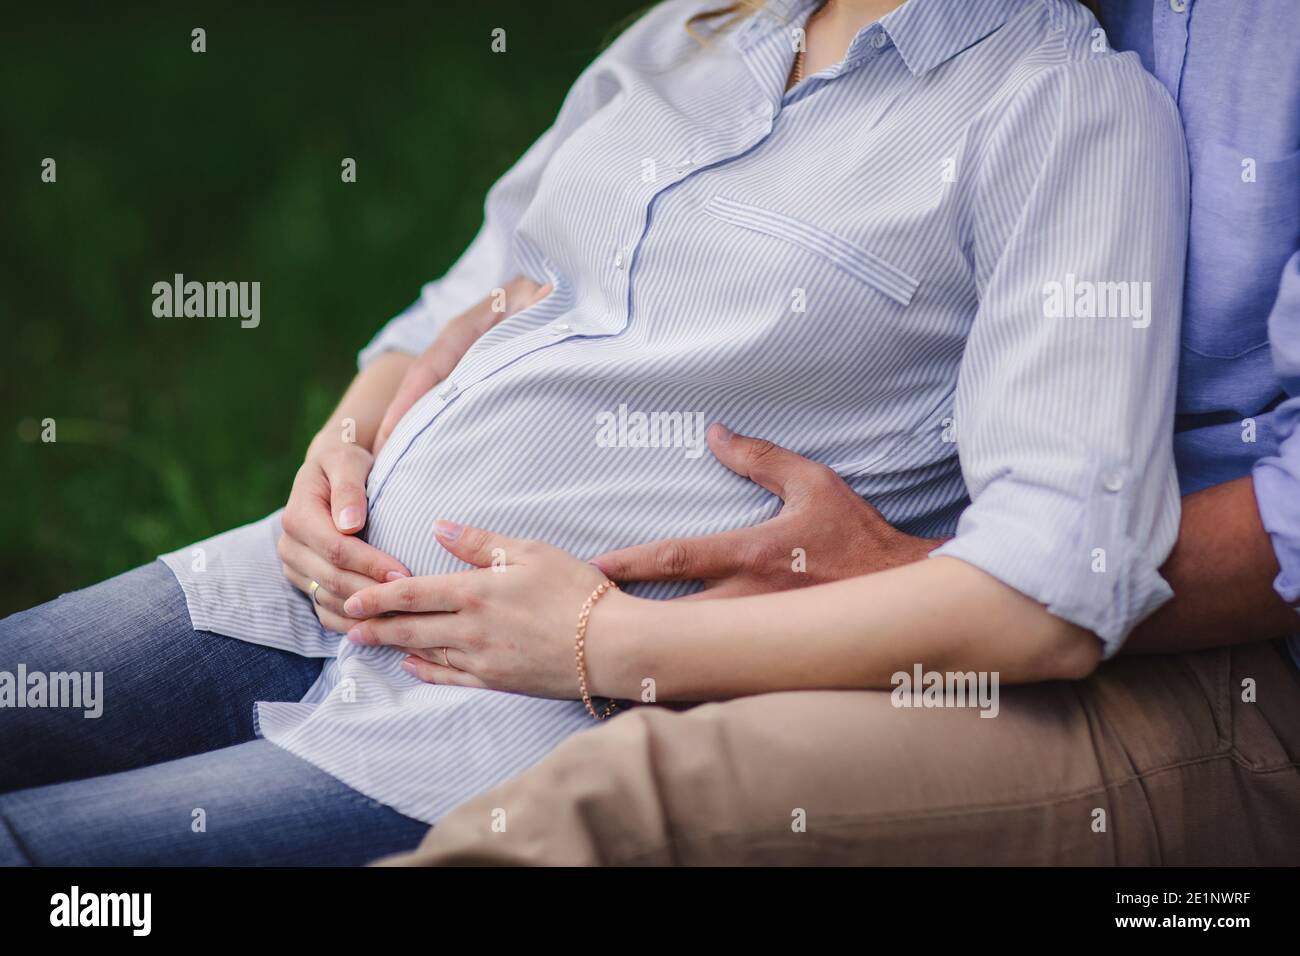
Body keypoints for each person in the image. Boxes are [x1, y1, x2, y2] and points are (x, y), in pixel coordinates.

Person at [2, 0, 1191, 864]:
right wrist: (344, 448)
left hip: (512, 723)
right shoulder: (689, 32)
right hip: (288, 585)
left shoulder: (1065, 109)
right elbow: (458, 295)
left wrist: (597, 643)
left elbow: (1053, 586)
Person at [383, 0, 1300, 866]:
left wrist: (930, 578)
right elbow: (487, 277)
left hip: (1224, 665)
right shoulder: (743, 33)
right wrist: (355, 445)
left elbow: (1057, 577)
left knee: (623, 800)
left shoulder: (1065, 89)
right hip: (409, 614)